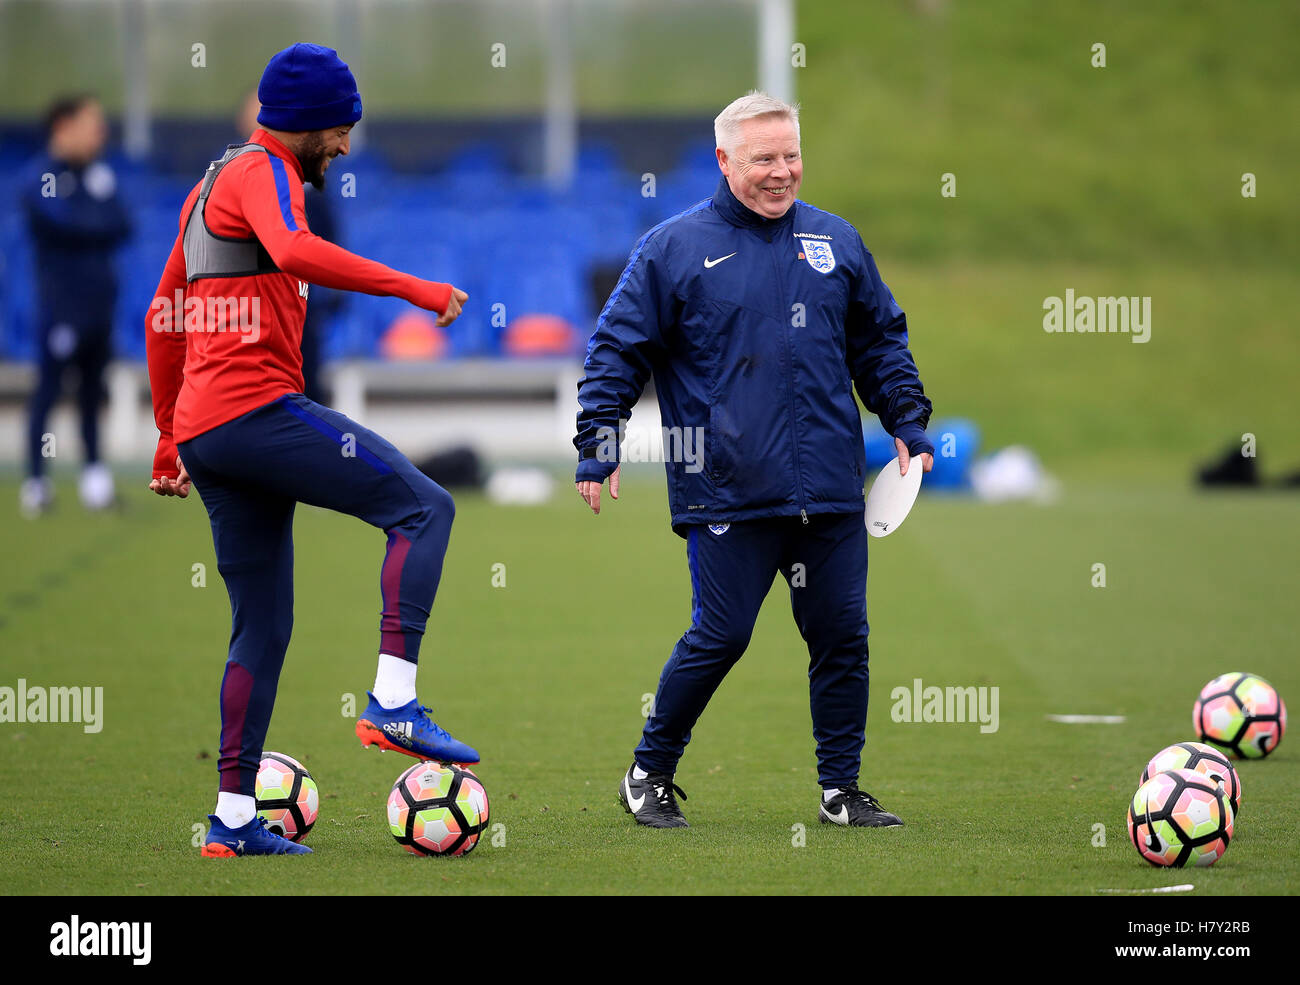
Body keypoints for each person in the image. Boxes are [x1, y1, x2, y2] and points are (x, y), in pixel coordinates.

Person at [147, 43, 477, 857]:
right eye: (339, 129)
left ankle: (231, 821)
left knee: (260, 626)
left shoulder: (208, 186)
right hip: (257, 415)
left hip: (210, 432)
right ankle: (393, 700)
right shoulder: (266, 173)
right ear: (303, 124)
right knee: (424, 506)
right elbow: (295, 251)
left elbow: (163, 309)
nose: (345, 145)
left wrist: (167, 433)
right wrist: (416, 287)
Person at [575, 92, 935, 829]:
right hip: (726, 488)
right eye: (764, 158)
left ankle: (841, 790)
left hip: (831, 489)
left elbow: (880, 341)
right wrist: (598, 437)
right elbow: (617, 347)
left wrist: (907, 419)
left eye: (791, 155)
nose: (782, 172)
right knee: (722, 634)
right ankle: (648, 771)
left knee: (842, 635)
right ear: (725, 160)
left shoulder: (837, 241)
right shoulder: (673, 248)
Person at [20, 94, 132, 516]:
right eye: (91, 124)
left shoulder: (98, 176)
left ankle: (94, 480)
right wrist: (95, 223)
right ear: (63, 127)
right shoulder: (41, 178)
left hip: (100, 306)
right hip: (60, 308)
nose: (99, 133)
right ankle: (35, 481)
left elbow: (123, 224)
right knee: (49, 389)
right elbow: (63, 222)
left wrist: (93, 222)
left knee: (91, 392)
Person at [238, 89, 338, 403]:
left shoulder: (307, 173)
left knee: (306, 384)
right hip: (251, 301)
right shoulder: (231, 172)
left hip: (299, 299)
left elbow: (327, 236)